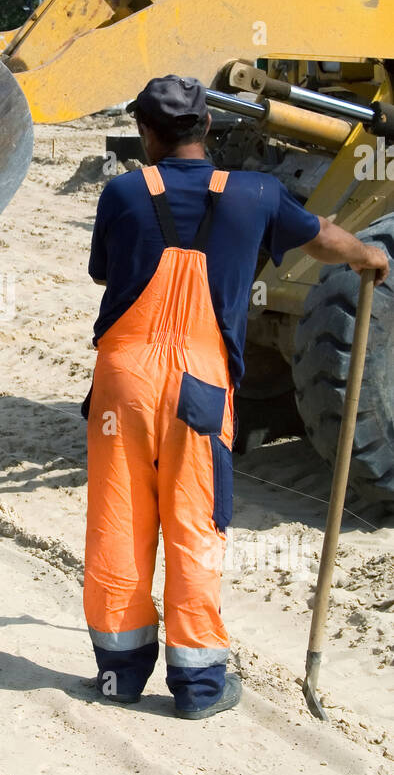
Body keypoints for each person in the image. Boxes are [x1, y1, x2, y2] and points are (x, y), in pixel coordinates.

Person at [84, 74, 389, 720]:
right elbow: (321, 237)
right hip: (201, 382)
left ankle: (119, 676)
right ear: (209, 130)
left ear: (145, 132)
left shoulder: (121, 194)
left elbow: (108, 272)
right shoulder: (258, 195)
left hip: (124, 382)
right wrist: (366, 256)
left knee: (119, 520)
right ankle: (197, 687)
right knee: (194, 526)